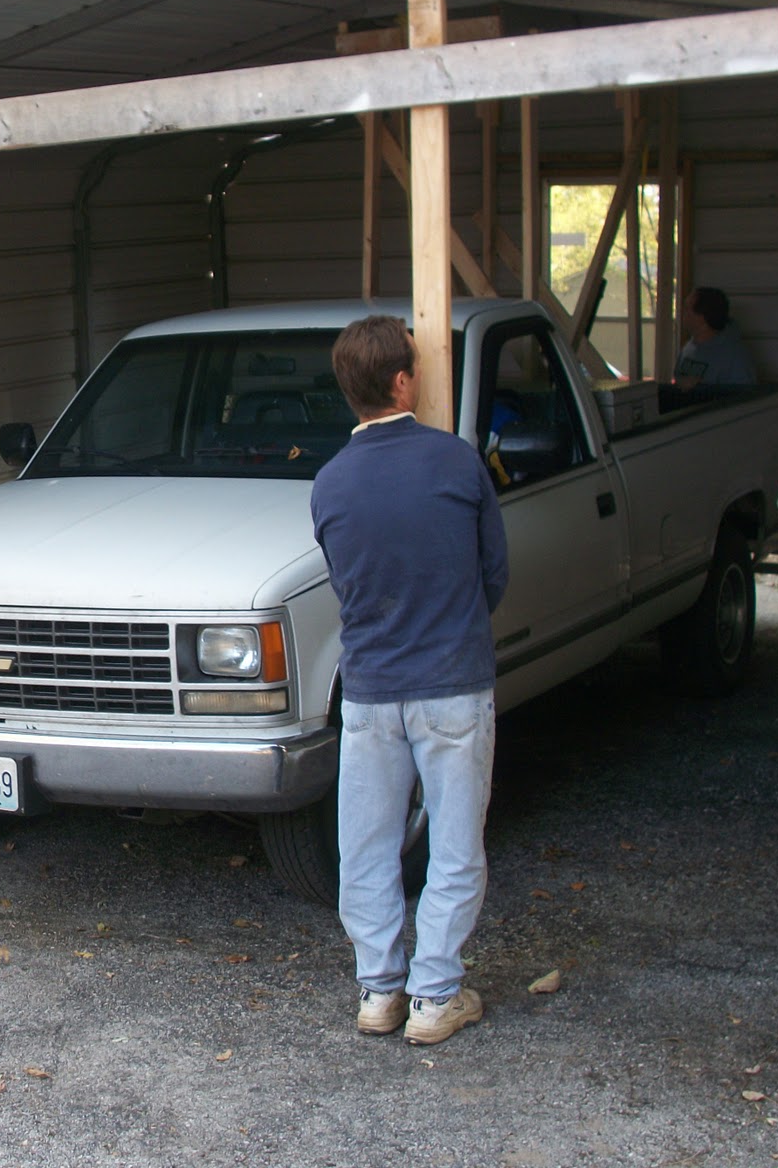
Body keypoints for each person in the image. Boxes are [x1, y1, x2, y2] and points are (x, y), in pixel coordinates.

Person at [309, 315, 509, 1046]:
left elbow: (346, 582)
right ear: (402, 381)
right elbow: (495, 576)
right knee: (456, 845)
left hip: (368, 689)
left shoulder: (328, 484)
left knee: (365, 845)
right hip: (452, 680)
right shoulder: (458, 464)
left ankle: (377, 989)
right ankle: (435, 995)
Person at [674, 286, 756, 389]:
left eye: (687, 309)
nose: (682, 313)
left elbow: (744, 399)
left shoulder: (735, 357)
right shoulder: (688, 348)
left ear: (702, 317)